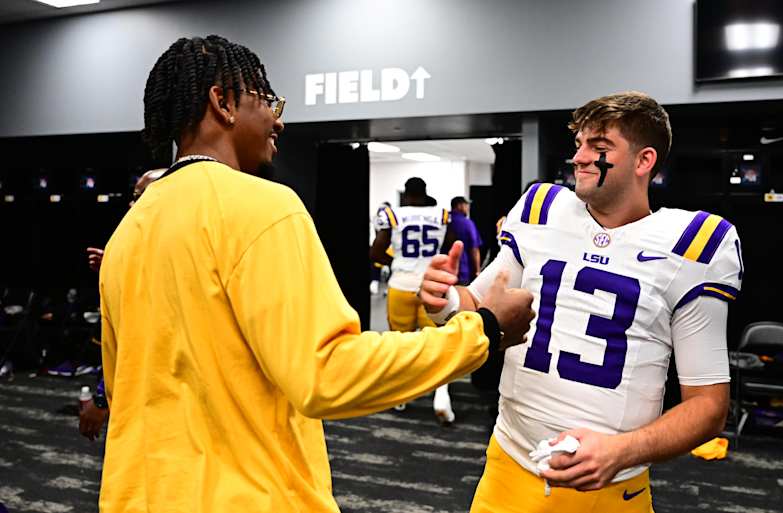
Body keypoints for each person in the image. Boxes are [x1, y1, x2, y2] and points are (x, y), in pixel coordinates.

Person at [98, 35, 534, 513]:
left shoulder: (126, 235)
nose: (278, 119)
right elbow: (325, 373)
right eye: (267, 100)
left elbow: (125, 392)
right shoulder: (263, 206)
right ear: (222, 103)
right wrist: (484, 331)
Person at [420, 91, 742, 512]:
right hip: (508, 469)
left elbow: (708, 406)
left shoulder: (694, 246)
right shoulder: (540, 209)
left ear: (644, 161)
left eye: (600, 147)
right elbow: (478, 304)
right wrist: (442, 299)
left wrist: (622, 451)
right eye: (579, 145)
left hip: (610, 493)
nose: (580, 157)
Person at [80, 168, 166, 442]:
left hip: (156, 394)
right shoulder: (135, 244)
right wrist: (115, 268)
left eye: (141, 196)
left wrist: (101, 400)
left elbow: (133, 335)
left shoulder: (172, 248)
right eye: (133, 195)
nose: (132, 203)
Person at [369, 177, 459, 423]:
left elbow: (375, 251)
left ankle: (401, 395)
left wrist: (397, 264)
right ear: (426, 193)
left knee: (401, 342)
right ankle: (441, 394)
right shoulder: (442, 214)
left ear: (406, 195)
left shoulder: (393, 215)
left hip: (401, 285)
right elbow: (451, 248)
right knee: (438, 343)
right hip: (431, 286)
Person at [449, 195, 483, 285]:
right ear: (459, 206)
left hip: (443, 271)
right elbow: (474, 249)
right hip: (462, 272)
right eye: (466, 205)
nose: (468, 208)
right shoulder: (467, 223)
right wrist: (477, 270)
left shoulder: (444, 221)